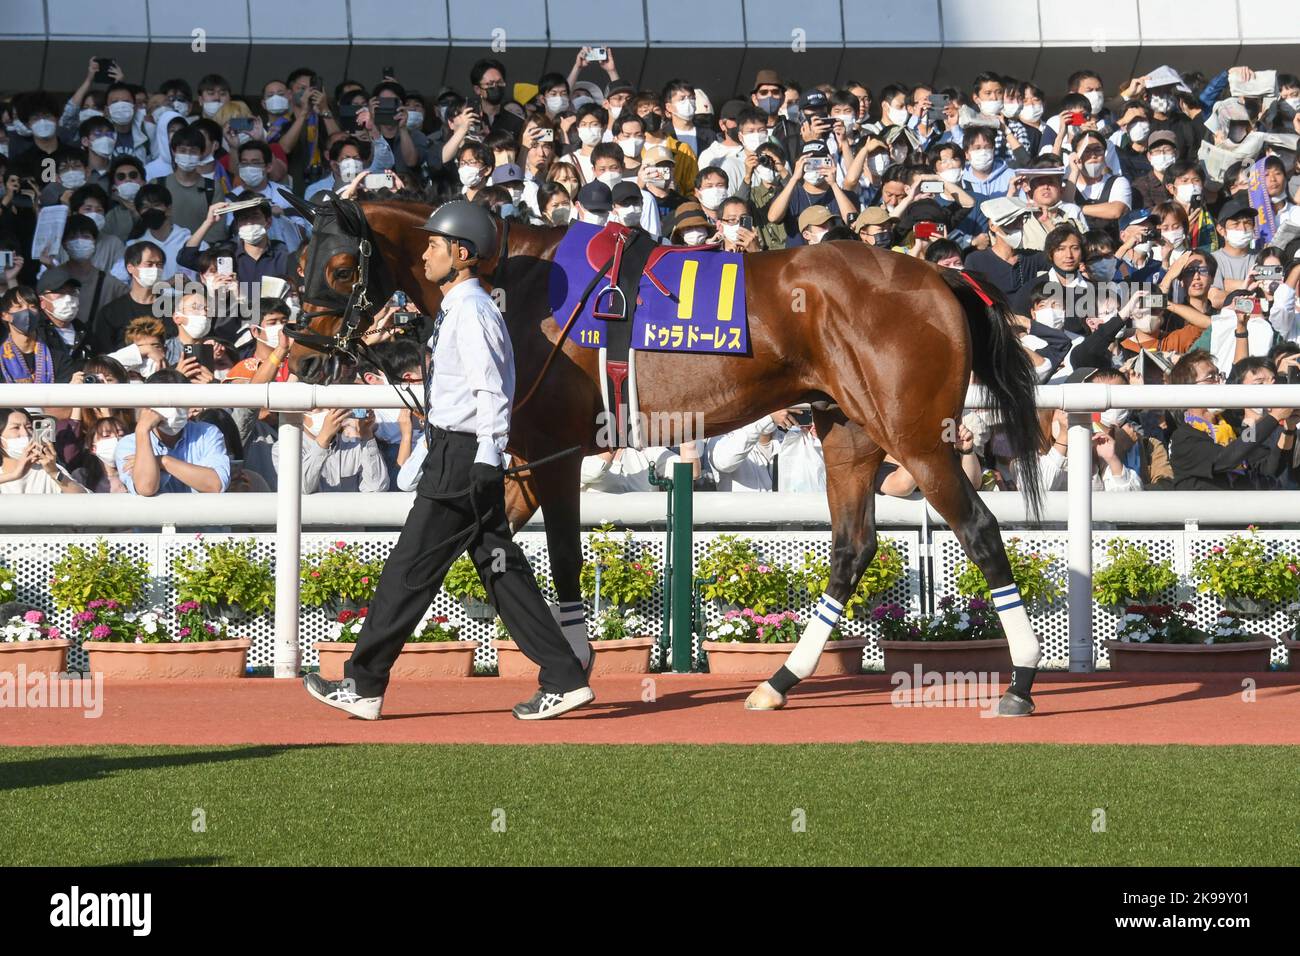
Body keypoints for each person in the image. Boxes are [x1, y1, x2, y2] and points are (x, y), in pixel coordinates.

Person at [304, 200, 593, 721]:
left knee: (408, 570)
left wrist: (484, 456)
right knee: (500, 568)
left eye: (435, 245)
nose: (427, 253)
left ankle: (364, 683)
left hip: (463, 457)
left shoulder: (474, 310)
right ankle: (565, 675)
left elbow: (493, 390)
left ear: (462, 254)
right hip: (459, 451)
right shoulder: (460, 308)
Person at [1165, 350, 1292, 490]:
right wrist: (1274, 417)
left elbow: (1268, 469)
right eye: (1211, 377)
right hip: (1207, 510)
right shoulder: (1183, 438)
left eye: (1219, 375)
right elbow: (1225, 459)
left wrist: (1289, 430)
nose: (1220, 382)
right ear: (1188, 390)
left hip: (1243, 509)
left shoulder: (1232, 427)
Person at [114, 368, 230, 495]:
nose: (174, 410)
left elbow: (215, 485)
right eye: (165, 405)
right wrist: (142, 431)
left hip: (201, 514)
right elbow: (146, 487)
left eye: (180, 403)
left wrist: (162, 461)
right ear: (148, 406)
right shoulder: (128, 444)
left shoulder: (207, 432)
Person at [0, 408, 87, 494]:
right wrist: (13, 475)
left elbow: (85, 499)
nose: (25, 433)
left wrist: (55, 474)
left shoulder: (49, 467)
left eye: (29, 427)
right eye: (16, 428)